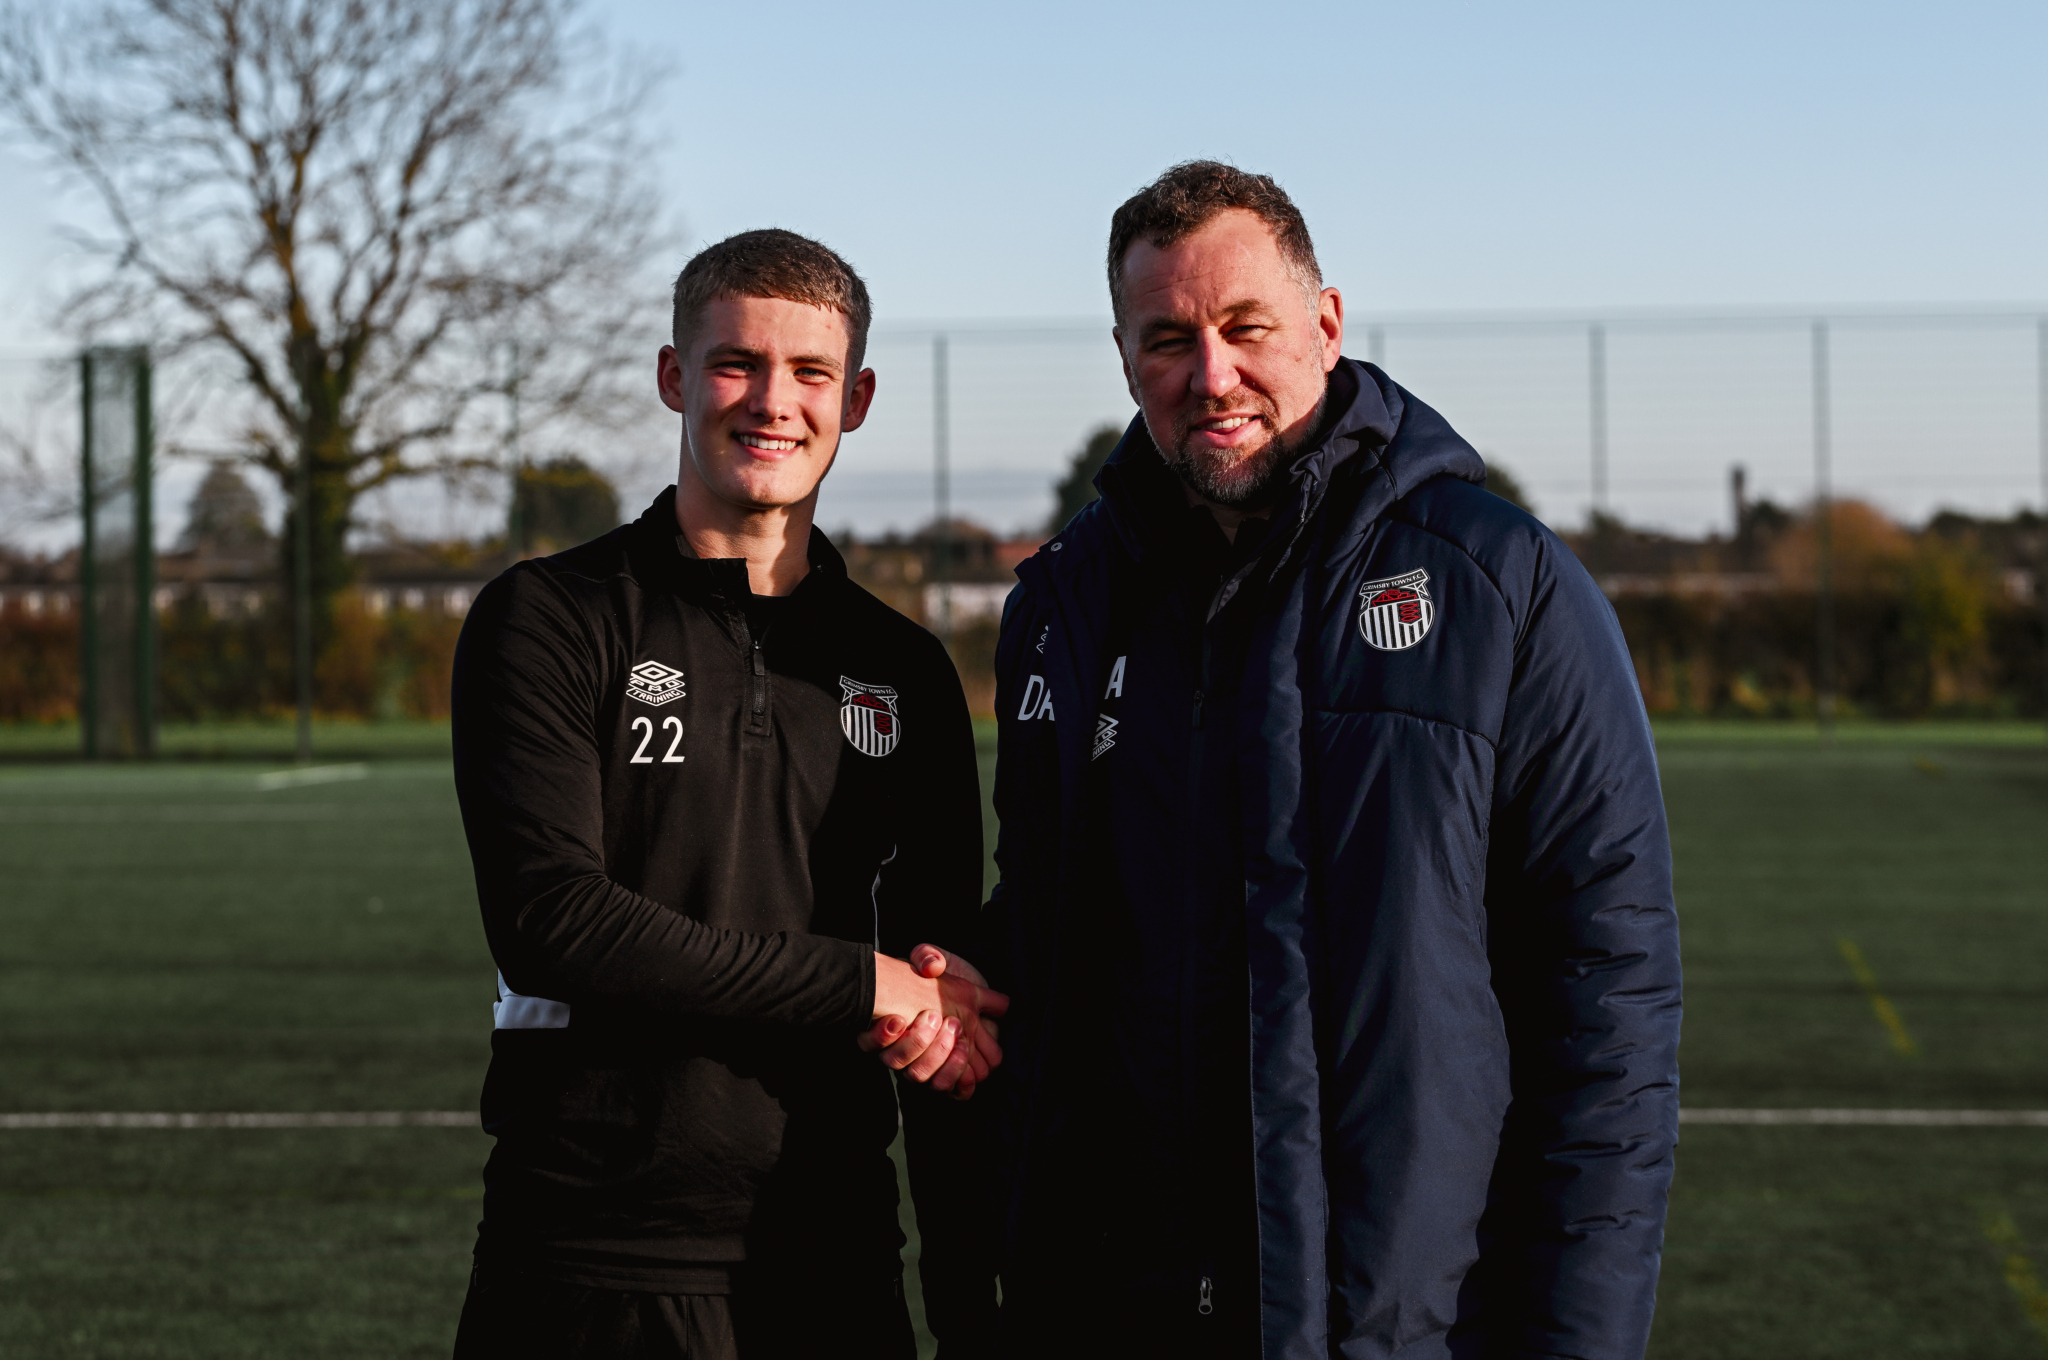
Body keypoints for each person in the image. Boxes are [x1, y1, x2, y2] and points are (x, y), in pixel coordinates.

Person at [984, 162, 1682, 1359]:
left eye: (1244, 326)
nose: (1211, 374)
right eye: (1165, 340)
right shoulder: (1061, 605)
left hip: (1402, 1322)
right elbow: (1050, 946)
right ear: (1122, 360)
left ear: (1325, 322)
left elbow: (1607, 999)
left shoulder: (1500, 584)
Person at [448, 228, 1005, 1360]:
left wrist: (965, 1319)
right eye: (734, 363)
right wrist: (855, 982)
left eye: (808, 373)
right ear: (673, 378)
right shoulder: (551, 618)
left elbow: (943, 1018)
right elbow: (553, 920)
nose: (771, 402)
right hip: (587, 1262)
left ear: (854, 399)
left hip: (832, 1262)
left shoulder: (904, 670)